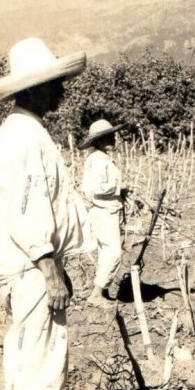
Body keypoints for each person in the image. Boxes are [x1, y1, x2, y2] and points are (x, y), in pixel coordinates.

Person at [0, 36, 89, 390]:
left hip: (34, 262)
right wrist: (50, 270)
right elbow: (30, 214)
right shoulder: (23, 136)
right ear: (31, 91)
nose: (61, 92)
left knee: (30, 355)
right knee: (40, 359)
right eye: (53, 85)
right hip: (32, 267)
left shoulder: (24, 132)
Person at [79, 119, 125, 305]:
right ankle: (97, 293)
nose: (113, 139)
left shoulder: (98, 158)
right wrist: (119, 187)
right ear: (98, 141)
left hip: (103, 210)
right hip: (103, 211)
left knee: (106, 252)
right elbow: (96, 188)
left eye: (112, 135)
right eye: (107, 136)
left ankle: (101, 292)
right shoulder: (98, 160)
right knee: (113, 253)